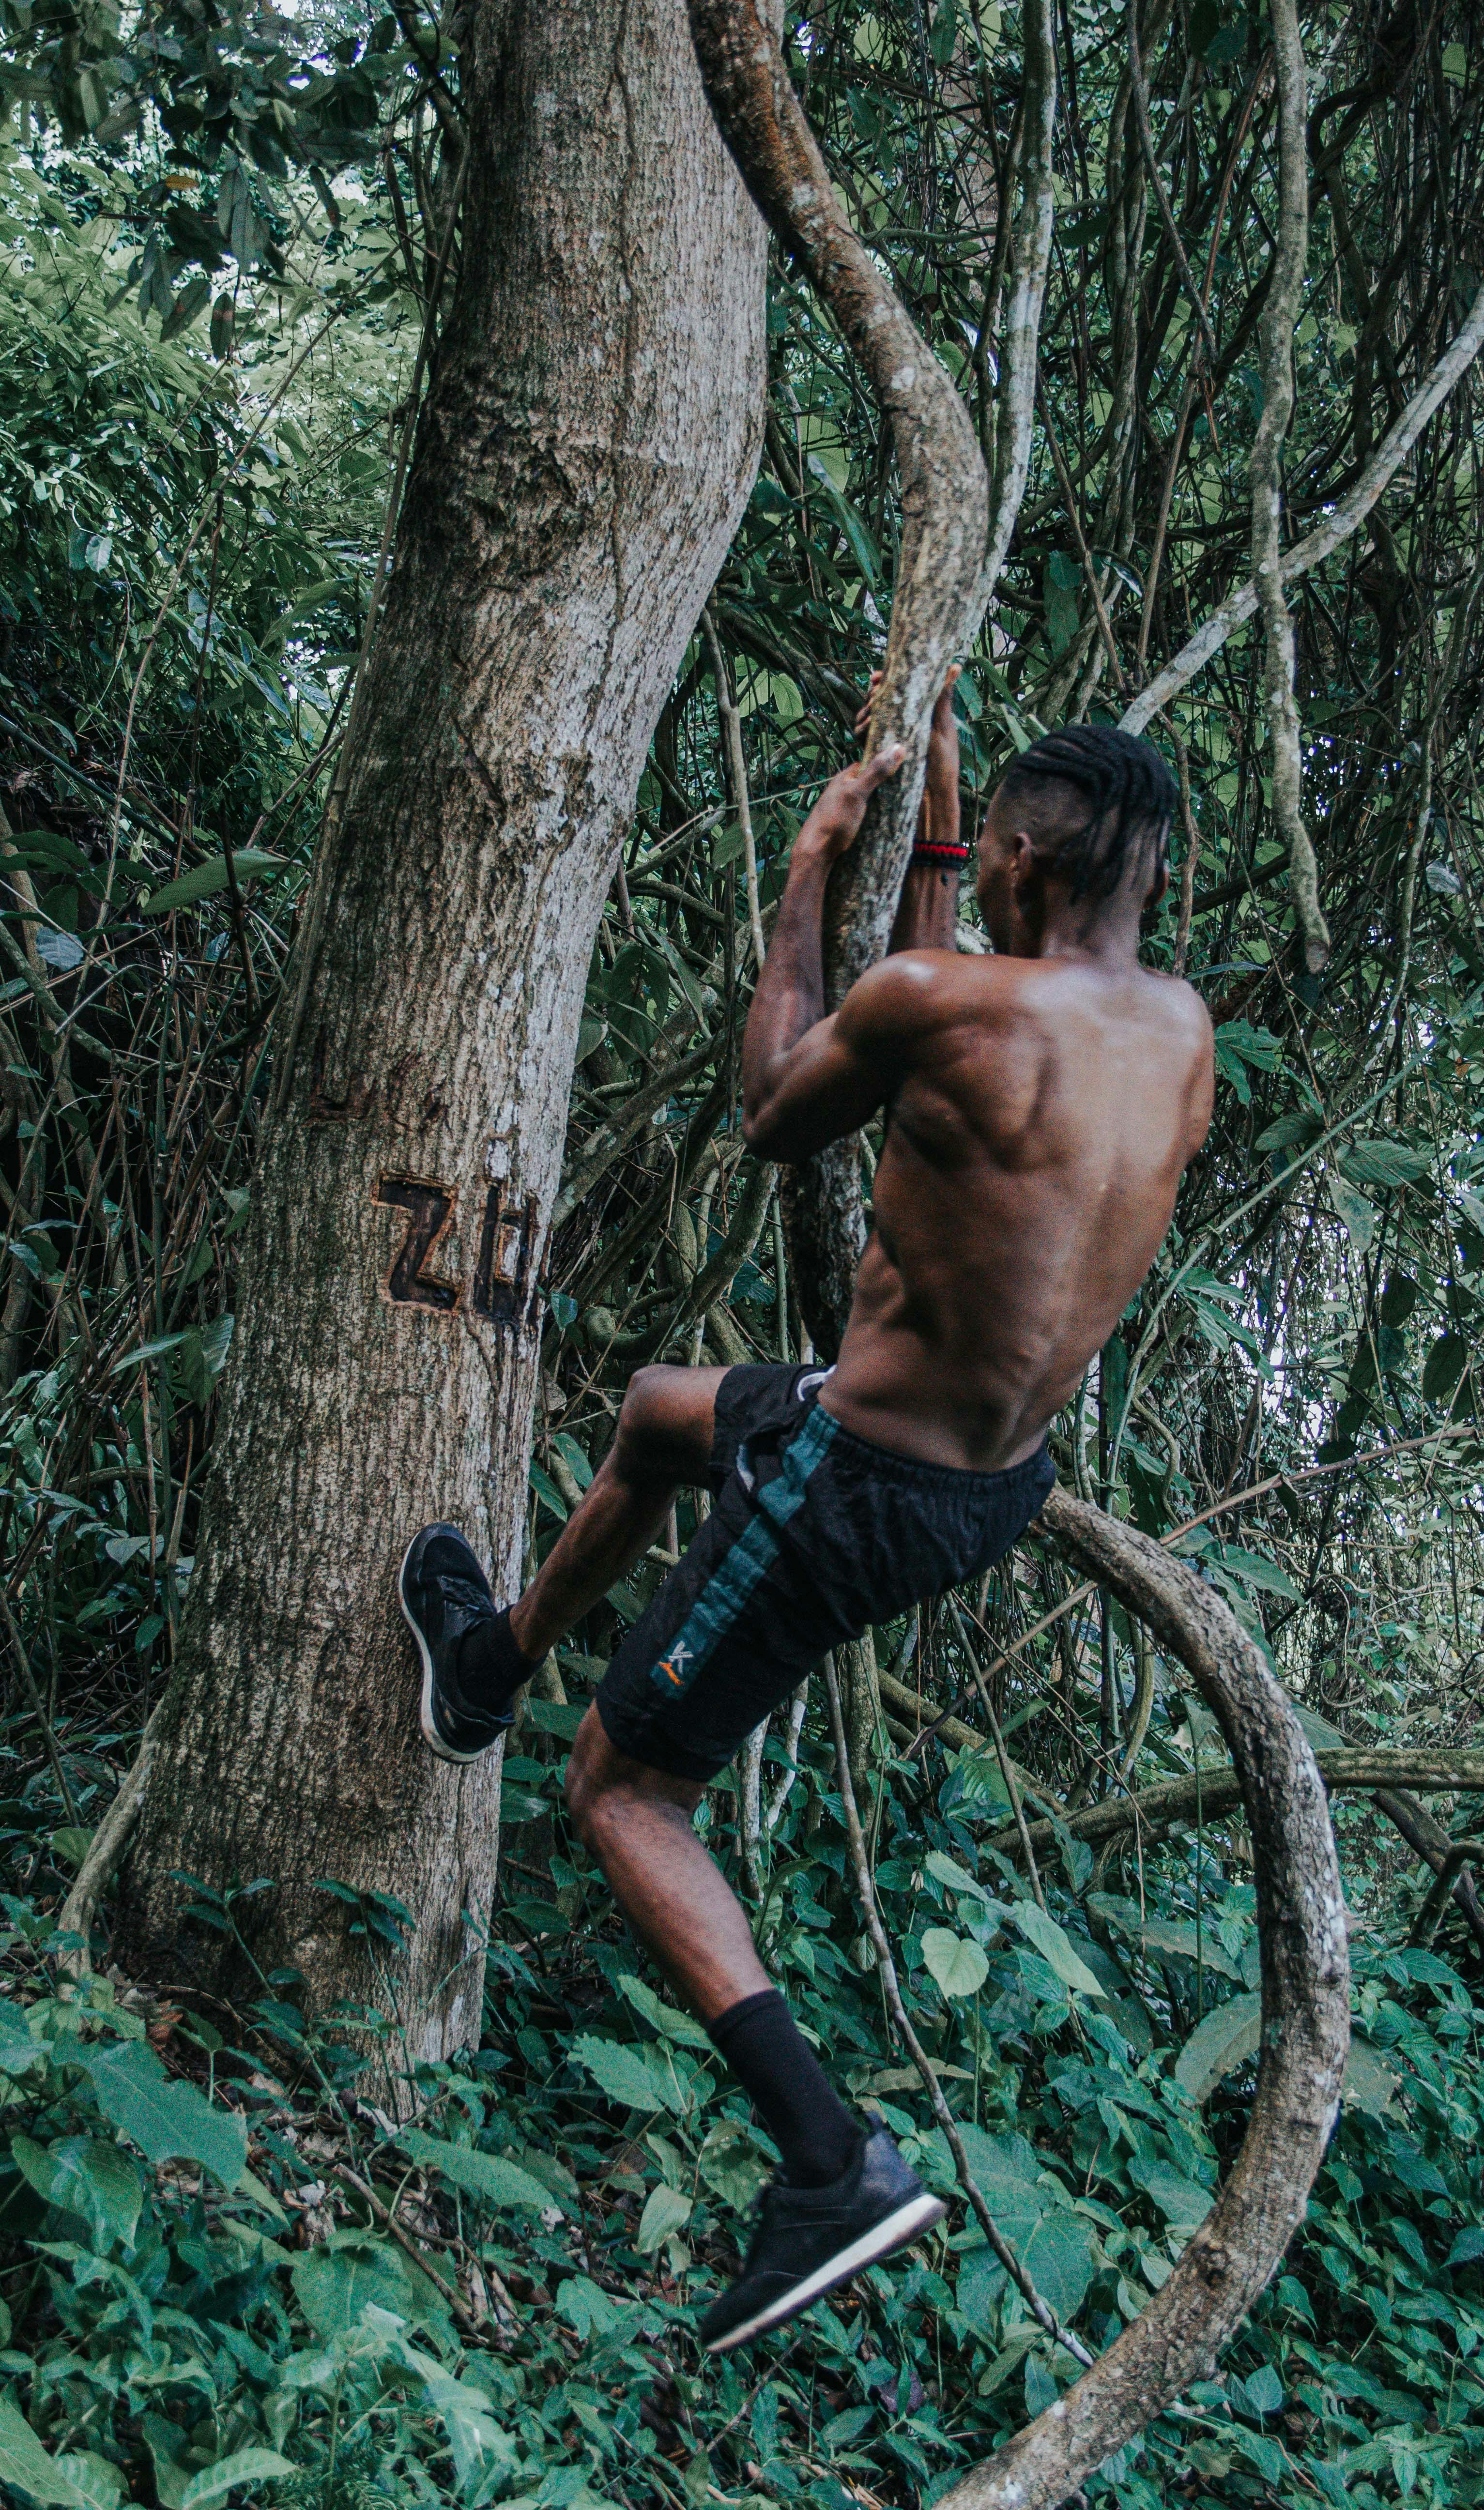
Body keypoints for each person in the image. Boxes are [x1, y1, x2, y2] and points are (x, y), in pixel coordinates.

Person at [399, 676, 1214, 2353]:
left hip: (852, 1488)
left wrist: (810, 862)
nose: (972, 875)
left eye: (985, 858)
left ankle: (829, 2157)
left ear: (1030, 873)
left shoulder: (949, 995)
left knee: (625, 1790)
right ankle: (488, 1663)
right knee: (660, 1410)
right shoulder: (1175, 1032)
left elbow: (782, 1108)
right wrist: (938, 825)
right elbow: (952, 1019)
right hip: (983, 1485)